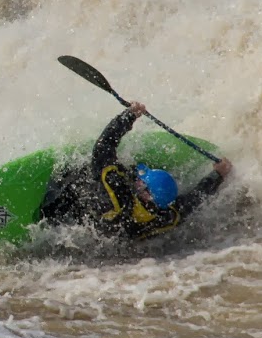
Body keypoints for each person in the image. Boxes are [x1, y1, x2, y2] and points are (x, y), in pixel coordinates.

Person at [37, 101, 232, 242]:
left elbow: (102, 148)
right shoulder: (168, 217)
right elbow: (194, 198)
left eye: (143, 181)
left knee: (77, 177)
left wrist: (128, 115)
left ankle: (47, 210)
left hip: (77, 215)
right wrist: (218, 175)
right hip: (114, 240)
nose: (139, 180)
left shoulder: (118, 190)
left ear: (146, 195)